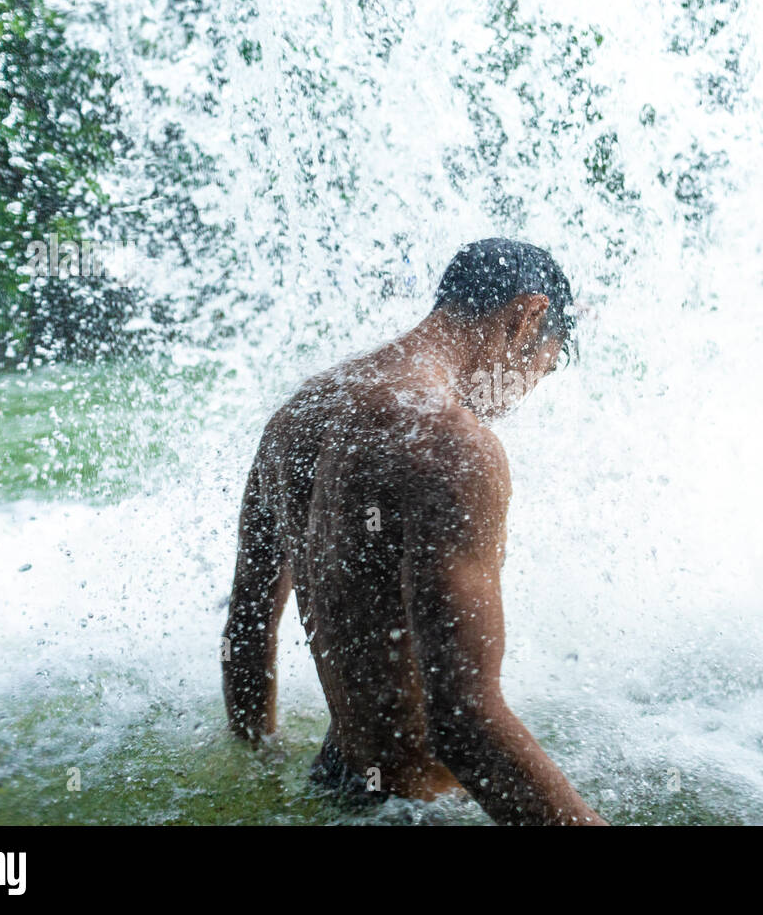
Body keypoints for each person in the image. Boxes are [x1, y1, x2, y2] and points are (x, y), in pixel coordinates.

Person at [221, 238, 607, 825]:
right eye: (542, 368)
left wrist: (260, 771)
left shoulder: (302, 412)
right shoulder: (454, 444)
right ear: (526, 317)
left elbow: (246, 630)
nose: (519, 399)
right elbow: (465, 725)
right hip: (416, 812)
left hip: (334, 788)